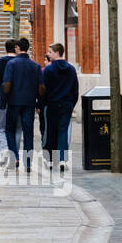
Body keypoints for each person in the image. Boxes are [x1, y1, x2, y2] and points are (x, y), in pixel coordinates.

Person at [2, 38, 46, 175]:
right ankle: (27, 162)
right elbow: (41, 87)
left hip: (14, 102)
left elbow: (7, 84)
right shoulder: (36, 66)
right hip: (29, 103)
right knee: (28, 132)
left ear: (17, 48)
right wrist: (39, 102)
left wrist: (4, 101)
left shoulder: (12, 64)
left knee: (9, 129)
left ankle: (14, 157)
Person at [41, 42, 79, 172]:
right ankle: (62, 159)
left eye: (50, 52)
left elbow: (43, 89)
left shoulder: (48, 70)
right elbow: (75, 90)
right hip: (66, 104)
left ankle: (51, 160)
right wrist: (71, 104)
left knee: (51, 131)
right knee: (63, 131)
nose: (48, 54)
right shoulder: (71, 69)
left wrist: (42, 103)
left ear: (57, 53)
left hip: (52, 104)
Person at [0, 39, 18, 162]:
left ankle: (5, 150)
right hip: (18, 101)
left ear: (5, 49)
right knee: (16, 129)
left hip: (1, 100)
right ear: (16, 48)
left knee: (0, 128)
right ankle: (15, 155)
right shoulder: (20, 63)